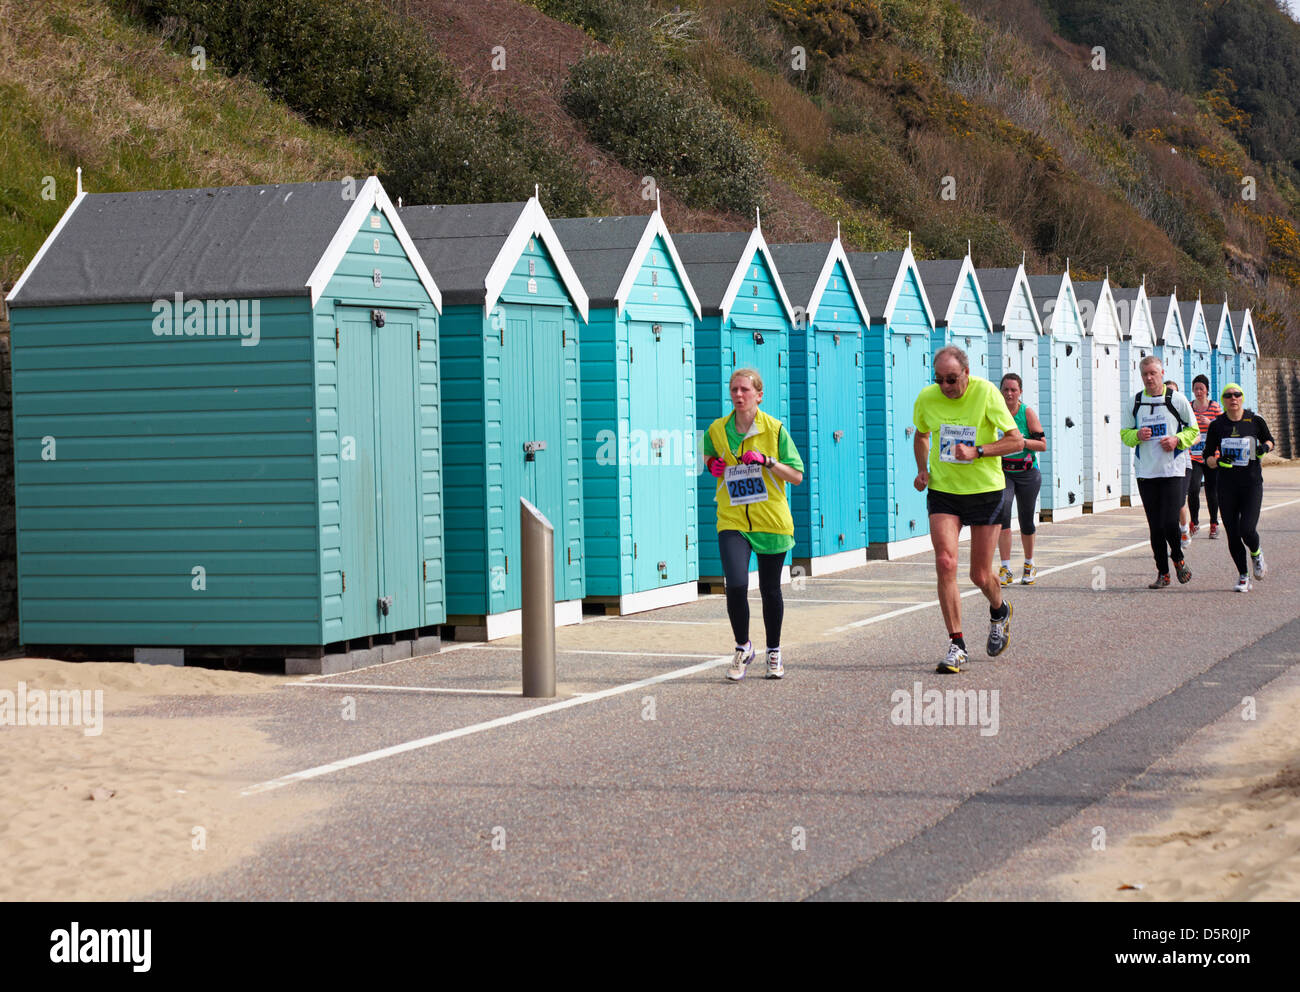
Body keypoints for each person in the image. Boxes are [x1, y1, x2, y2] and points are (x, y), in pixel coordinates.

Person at [913, 346, 1023, 674]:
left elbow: (1016, 441)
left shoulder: (987, 394)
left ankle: (999, 610)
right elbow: (921, 435)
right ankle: (957, 644)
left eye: (951, 379)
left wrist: (978, 451)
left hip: (985, 492)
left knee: (979, 574)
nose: (945, 386)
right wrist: (922, 469)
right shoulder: (927, 398)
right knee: (946, 562)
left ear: (966, 373)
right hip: (944, 491)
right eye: (939, 380)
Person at [702, 368, 804, 680]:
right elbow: (708, 456)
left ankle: (774, 650)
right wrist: (712, 465)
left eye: (745, 390)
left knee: (770, 589)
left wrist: (767, 462)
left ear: (759, 395)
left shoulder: (774, 430)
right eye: (734, 390)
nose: (738, 395)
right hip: (732, 518)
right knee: (735, 585)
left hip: (770, 519)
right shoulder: (717, 430)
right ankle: (743, 647)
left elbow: (797, 476)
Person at [1122, 357, 1199, 587]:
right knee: (1155, 526)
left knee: (1168, 520)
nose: (1149, 378)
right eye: (1145, 373)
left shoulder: (1176, 400)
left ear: (1162, 372)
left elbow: (1193, 430)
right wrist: (1136, 435)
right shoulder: (1135, 402)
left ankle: (1177, 557)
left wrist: (1177, 439)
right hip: (1146, 472)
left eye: (1153, 373)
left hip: (1172, 470)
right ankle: (1163, 573)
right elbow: (1124, 433)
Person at [1204, 383, 1275, 592]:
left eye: (1237, 394)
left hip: (1251, 484)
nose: (1233, 398)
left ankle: (1256, 553)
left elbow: (1270, 441)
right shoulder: (1217, 425)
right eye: (1228, 395)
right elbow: (1206, 456)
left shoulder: (1255, 419)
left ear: (1242, 397)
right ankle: (1243, 576)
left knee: (1247, 530)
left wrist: (1263, 449)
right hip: (1226, 486)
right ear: (1224, 400)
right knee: (1233, 533)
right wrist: (1218, 461)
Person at [995, 373, 1047, 585]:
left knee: (1026, 519)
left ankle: (1029, 563)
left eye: (1013, 390)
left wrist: (1020, 442)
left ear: (1020, 392)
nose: (1009, 393)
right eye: (1005, 389)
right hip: (1004, 471)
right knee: (1003, 514)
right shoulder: (994, 411)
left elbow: (1042, 445)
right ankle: (1005, 568)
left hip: (1027, 472)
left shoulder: (1027, 413)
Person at [1187, 374, 1222, 540]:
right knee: (1193, 489)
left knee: (1211, 491)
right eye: (1196, 388)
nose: (1198, 391)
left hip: (1212, 456)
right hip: (1194, 455)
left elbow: (1224, 428)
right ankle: (1194, 521)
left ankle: (1214, 523)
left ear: (1207, 390)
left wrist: (1211, 424)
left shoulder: (1215, 407)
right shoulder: (1189, 406)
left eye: (1201, 388)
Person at [1165, 379, 1193, 548]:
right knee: (1169, 506)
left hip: (1183, 464)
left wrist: (1179, 440)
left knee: (1180, 502)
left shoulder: (1183, 413)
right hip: (1164, 466)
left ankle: (1184, 530)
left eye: (1173, 392)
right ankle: (1174, 541)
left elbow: (1195, 434)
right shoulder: (1157, 413)